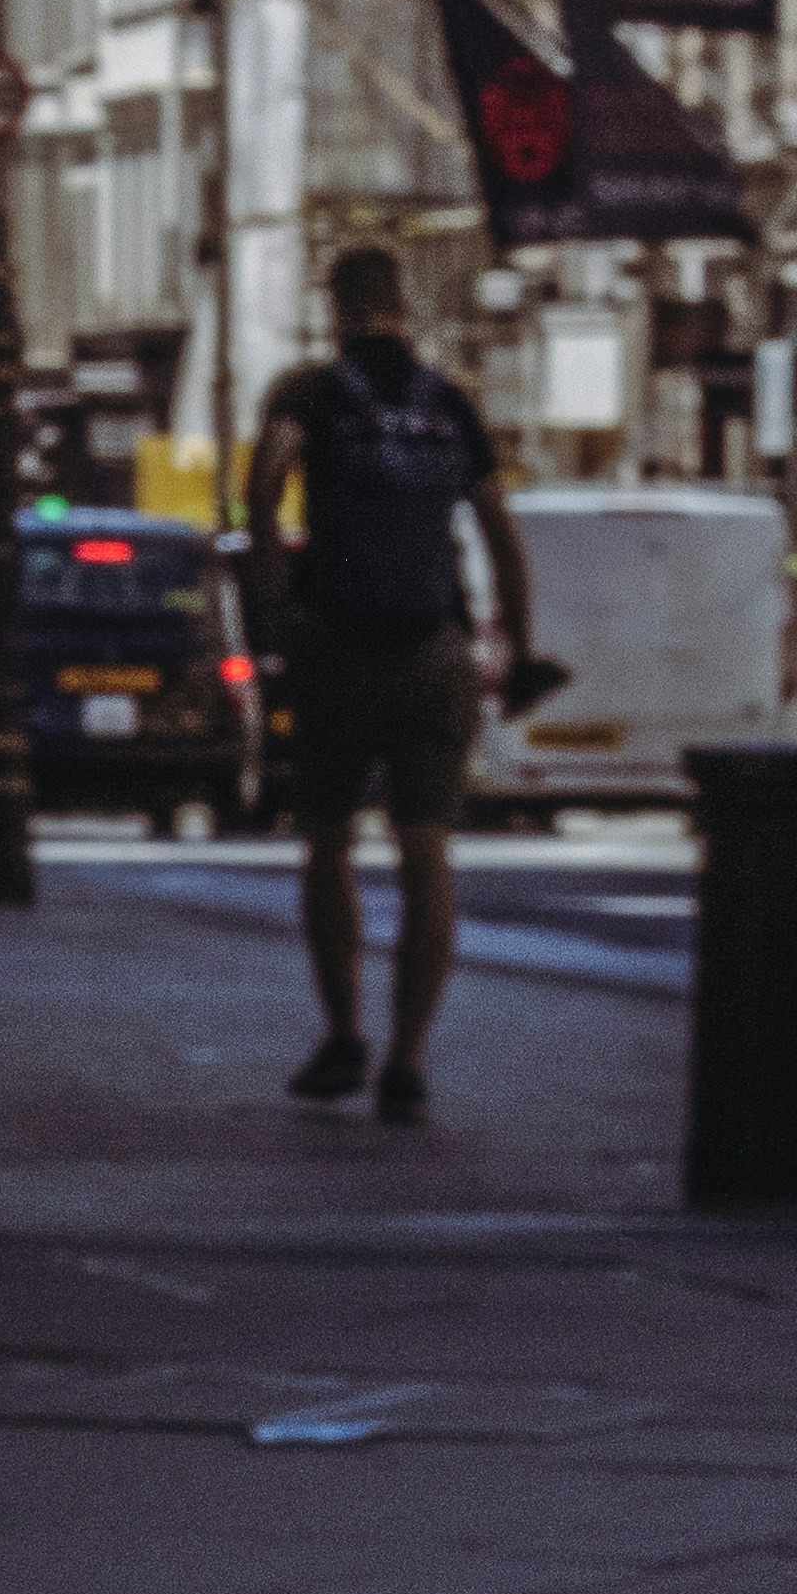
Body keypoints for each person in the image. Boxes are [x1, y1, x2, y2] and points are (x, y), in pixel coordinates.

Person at [234, 242, 539, 1124]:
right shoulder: (448, 404)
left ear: (335, 306)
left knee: (329, 841)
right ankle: (408, 1057)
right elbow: (500, 530)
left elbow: (263, 486)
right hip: (434, 651)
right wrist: (519, 645)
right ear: (402, 304)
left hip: (338, 647)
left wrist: (275, 602)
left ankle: (344, 1034)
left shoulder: (312, 394)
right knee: (427, 848)